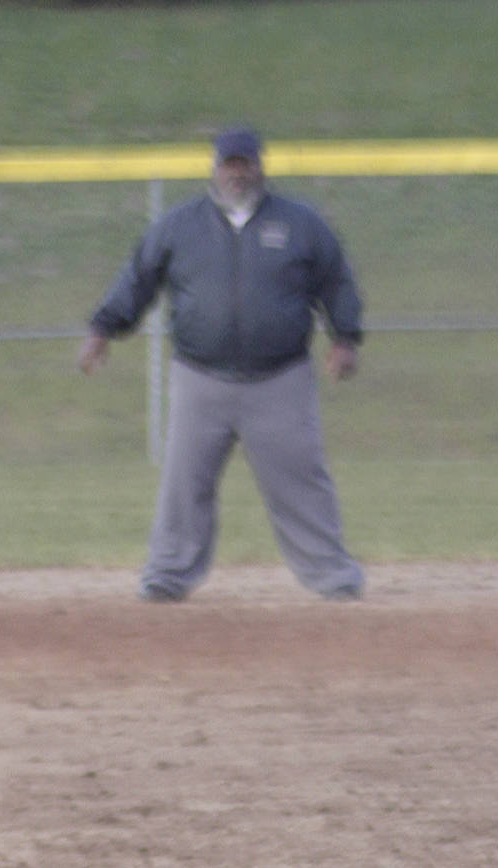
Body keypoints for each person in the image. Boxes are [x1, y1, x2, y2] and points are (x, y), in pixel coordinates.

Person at [79, 126, 365, 603]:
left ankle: (332, 577)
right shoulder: (180, 226)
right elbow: (138, 279)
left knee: (302, 482)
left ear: (260, 166)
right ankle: (167, 578)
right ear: (214, 167)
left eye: (244, 162)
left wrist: (345, 338)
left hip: (281, 380)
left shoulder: (300, 225)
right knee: (184, 484)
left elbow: (336, 282)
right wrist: (103, 329)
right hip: (200, 378)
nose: (237, 172)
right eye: (228, 163)